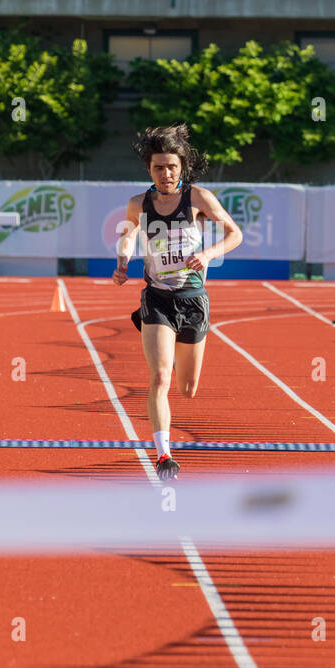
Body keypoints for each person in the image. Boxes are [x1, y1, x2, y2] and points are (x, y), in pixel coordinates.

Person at [113, 124, 243, 480]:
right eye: (158, 167)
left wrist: (210, 253)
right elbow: (127, 234)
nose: (166, 173)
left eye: (172, 166)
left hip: (193, 300)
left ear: (182, 166)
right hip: (156, 298)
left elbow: (235, 233)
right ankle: (163, 454)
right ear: (149, 169)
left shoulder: (198, 198)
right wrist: (123, 261)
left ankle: (180, 385)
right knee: (158, 377)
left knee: (188, 388)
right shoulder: (139, 204)